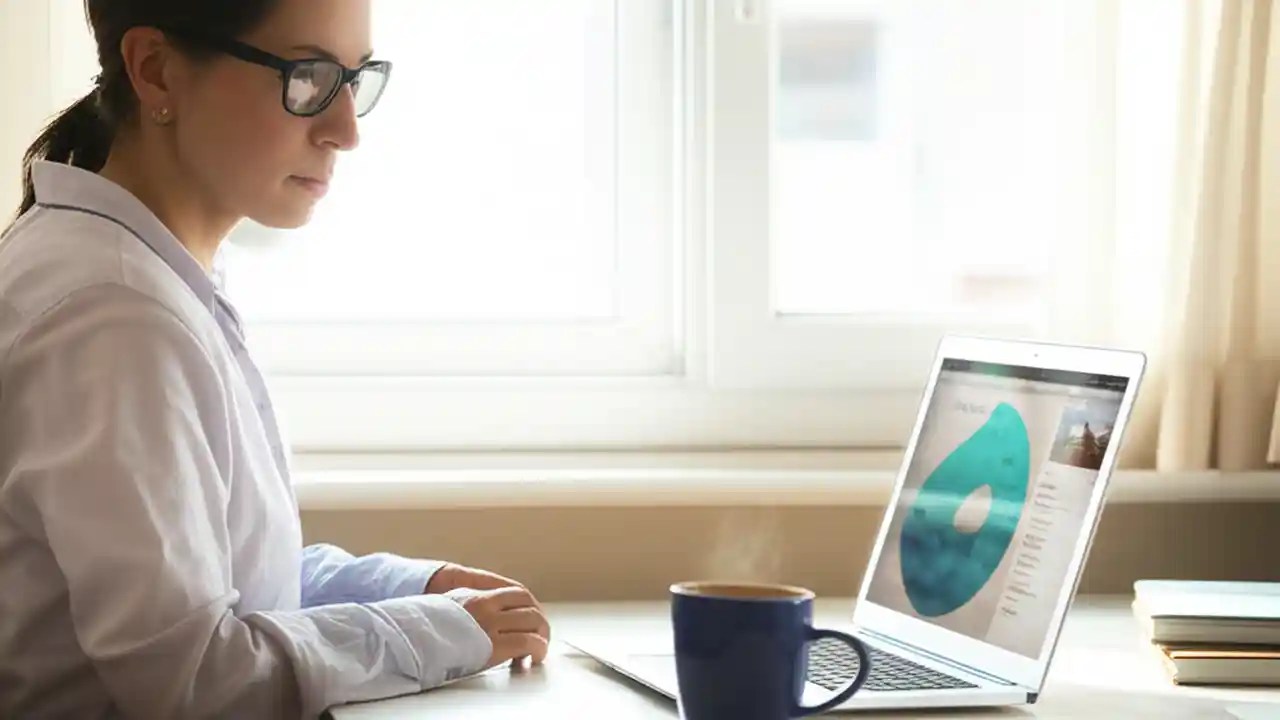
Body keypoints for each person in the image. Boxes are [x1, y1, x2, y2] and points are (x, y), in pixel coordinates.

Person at [0, 1, 550, 717]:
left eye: (356, 78)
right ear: (156, 71)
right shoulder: (116, 315)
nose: (346, 129)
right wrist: (440, 634)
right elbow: (194, 676)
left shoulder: (137, 276)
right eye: (308, 76)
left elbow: (223, 576)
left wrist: (411, 589)